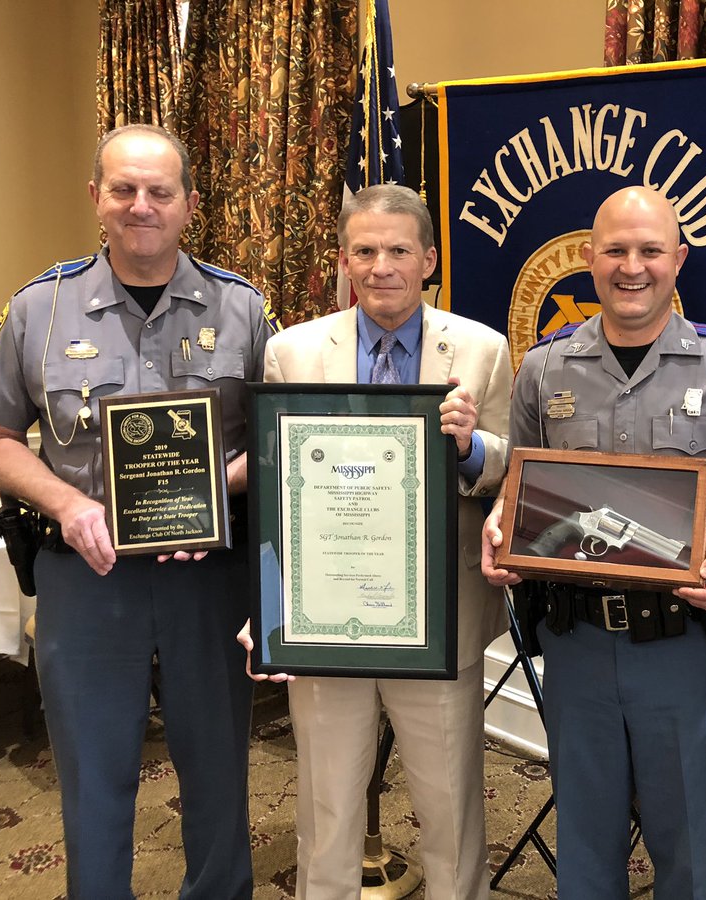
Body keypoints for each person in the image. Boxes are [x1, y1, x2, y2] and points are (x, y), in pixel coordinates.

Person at [0, 124, 278, 898]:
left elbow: (277, 441)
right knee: (93, 770)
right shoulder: (39, 309)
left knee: (216, 767)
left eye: (160, 192)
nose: (142, 206)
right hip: (86, 576)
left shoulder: (242, 309)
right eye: (124, 190)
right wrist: (68, 502)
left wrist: (211, 494)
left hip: (208, 573)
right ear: (97, 199)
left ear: (188, 205)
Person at [481, 186, 706, 900]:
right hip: (577, 644)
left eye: (650, 250)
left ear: (678, 260)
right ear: (588, 258)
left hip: (682, 646)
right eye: (615, 249)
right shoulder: (544, 369)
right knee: (585, 849)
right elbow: (519, 485)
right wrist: (501, 523)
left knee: (685, 855)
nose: (632, 266)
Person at [238, 184, 512, 900]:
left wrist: (469, 447)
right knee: (326, 807)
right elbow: (273, 499)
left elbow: (511, 466)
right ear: (343, 261)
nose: (381, 265)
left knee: (450, 809)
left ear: (428, 260)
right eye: (364, 250)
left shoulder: (482, 350)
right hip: (321, 624)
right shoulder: (291, 351)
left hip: (437, 623)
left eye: (398, 250)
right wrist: (267, 612)